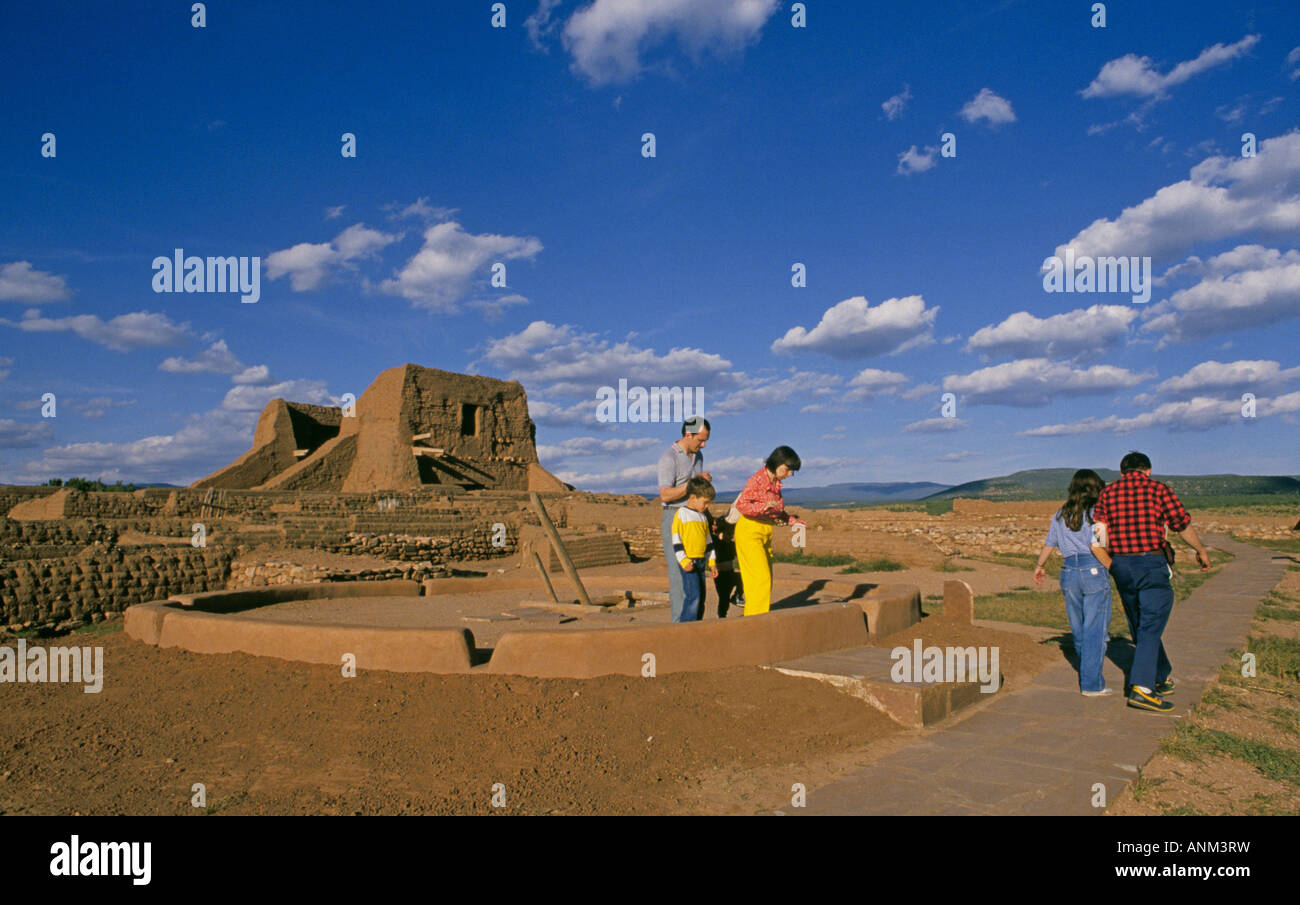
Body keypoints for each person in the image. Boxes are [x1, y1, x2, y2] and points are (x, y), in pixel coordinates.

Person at [1093, 451, 1211, 713]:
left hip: (1121, 564)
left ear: (1123, 471)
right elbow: (1181, 524)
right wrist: (1200, 550)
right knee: (1150, 624)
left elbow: (1099, 531)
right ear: (1148, 470)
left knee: (1139, 622)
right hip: (1150, 564)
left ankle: (1160, 673)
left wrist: (1113, 563)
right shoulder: (1159, 489)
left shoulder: (1107, 494)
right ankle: (1143, 688)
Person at [1033, 469, 1115, 696]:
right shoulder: (1097, 513)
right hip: (1094, 570)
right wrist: (1112, 566)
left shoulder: (1060, 514)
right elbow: (1098, 545)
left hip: (1068, 571)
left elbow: (1050, 543)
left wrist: (1040, 566)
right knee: (1095, 629)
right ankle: (1091, 683)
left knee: (1078, 628)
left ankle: (1086, 669)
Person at [733, 446, 806, 616]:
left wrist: (792, 520)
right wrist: (763, 507)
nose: (790, 475)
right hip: (749, 530)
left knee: (764, 579)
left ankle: (753, 617)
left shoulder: (776, 484)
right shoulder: (757, 480)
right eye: (788, 469)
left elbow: (777, 512)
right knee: (760, 579)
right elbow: (741, 505)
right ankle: (757, 621)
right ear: (777, 462)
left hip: (765, 531)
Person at [657, 416, 711, 622]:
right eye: (701, 440)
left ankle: (695, 627)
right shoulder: (668, 457)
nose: (703, 444)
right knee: (680, 577)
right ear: (688, 435)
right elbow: (665, 495)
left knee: (698, 575)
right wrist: (693, 483)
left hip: (697, 519)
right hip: (675, 517)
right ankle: (678, 631)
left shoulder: (698, 456)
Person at [670, 476, 718, 622]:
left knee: (701, 597)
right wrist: (683, 560)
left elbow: (709, 542)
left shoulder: (702, 517)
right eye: (705, 502)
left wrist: (712, 562)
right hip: (688, 561)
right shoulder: (682, 514)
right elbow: (676, 540)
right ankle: (685, 629)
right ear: (693, 497)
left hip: (701, 562)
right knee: (693, 596)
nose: (707, 506)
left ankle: (697, 626)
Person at [708, 511, 744, 618]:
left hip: (730, 572)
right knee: (724, 598)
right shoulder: (715, 542)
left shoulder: (731, 544)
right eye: (728, 534)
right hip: (720, 576)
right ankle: (722, 617)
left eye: (731, 535)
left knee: (743, 579)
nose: (730, 536)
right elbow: (710, 526)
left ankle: (736, 597)